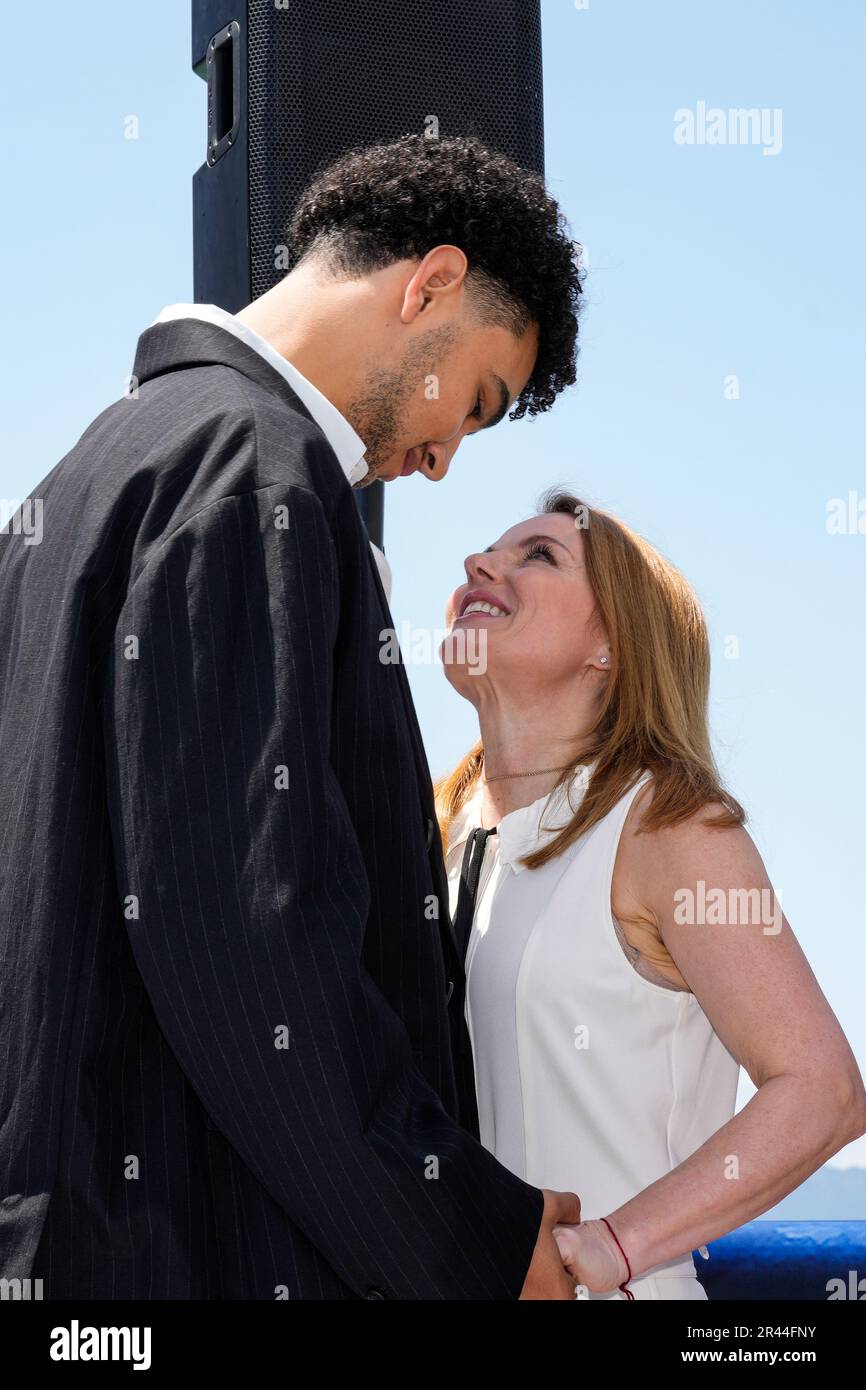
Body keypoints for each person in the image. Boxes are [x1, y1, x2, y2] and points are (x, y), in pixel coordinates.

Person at [0, 135, 585, 1299]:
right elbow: (248, 936)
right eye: (473, 400)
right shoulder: (254, 475)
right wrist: (462, 1232)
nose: (439, 463)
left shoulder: (78, 479)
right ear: (428, 285)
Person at [436, 488, 866, 1300]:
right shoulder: (439, 833)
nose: (479, 563)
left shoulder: (668, 826)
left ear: (611, 648)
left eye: (540, 555)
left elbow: (824, 1092)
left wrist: (615, 1247)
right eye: (491, 548)